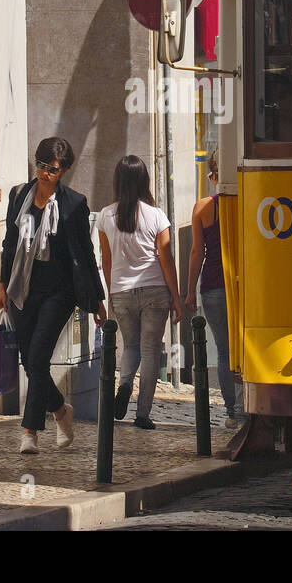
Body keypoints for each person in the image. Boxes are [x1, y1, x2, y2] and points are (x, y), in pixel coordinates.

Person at [0, 137, 105, 455]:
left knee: (38, 358)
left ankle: (29, 431)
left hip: (58, 293)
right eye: (41, 166)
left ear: (64, 170)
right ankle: (60, 411)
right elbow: (9, 244)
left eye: (52, 169)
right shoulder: (20, 196)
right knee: (31, 364)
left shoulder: (74, 204)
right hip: (23, 289)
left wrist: (97, 300)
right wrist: (3, 285)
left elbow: (85, 255)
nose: (45, 174)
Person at [98, 155, 187, 430]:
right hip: (154, 290)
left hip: (122, 291)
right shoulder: (156, 215)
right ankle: (143, 414)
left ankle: (124, 384)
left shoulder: (105, 216)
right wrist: (176, 297)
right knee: (150, 352)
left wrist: (111, 292)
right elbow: (166, 259)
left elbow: (106, 258)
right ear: (144, 181)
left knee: (131, 346)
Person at [182, 154, 243, 429]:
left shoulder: (203, 208)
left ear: (214, 177)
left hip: (213, 286)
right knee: (246, 347)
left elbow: (197, 252)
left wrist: (190, 291)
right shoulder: (245, 204)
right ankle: (248, 406)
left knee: (223, 350)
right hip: (243, 286)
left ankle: (233, 412)